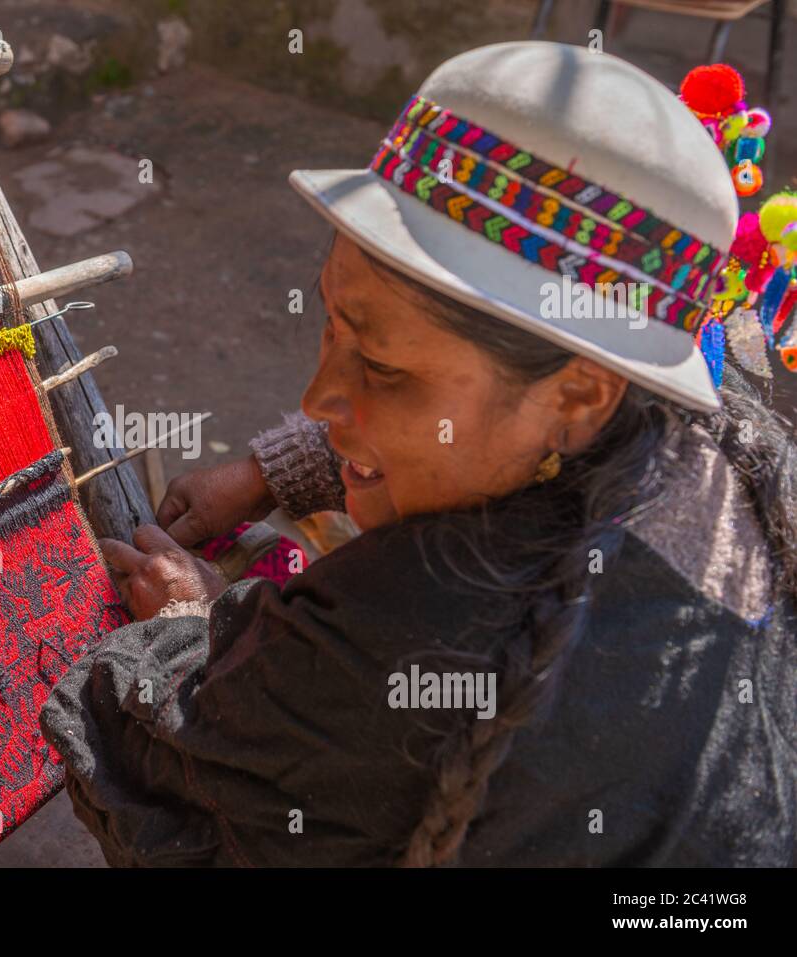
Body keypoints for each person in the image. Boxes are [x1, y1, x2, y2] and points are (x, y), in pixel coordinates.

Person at [39, 41, 797, 866]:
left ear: (581, 390)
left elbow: (147, 736)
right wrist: (270, 470)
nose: (317, 399)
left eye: (383, 365)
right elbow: (475, 433)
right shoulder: (720, 465)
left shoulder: (412, 641)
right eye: (332, 321)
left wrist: (198, 635)